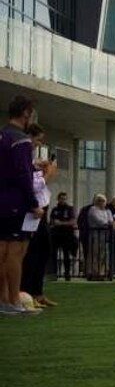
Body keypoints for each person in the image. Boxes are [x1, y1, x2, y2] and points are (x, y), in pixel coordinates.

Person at [0, 96, 41, 315]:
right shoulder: (21, 140)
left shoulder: (2, 135)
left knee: (2, 250)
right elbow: (23, 175)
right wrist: (33, 204)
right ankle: (14, 300)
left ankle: (3, 298)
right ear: (25, 113)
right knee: (15, 252)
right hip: (15, 202)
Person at [20, 125, 55, 308]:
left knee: (44, 249)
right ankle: (26, 292)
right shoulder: (20, 154)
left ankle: (38, 292)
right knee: (31, 254)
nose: (38, 144)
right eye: (38, 140)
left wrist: (38, 168)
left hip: (41, 209)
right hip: (30, 212)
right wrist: (48, 174)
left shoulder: (29, 158)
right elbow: (32, 186)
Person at [50, 192, 77, 281]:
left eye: (64, 199)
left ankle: (67, 273)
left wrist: (61, 223)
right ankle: (53, 273)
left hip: (67, 235)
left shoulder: (69, 209)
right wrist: (56, 223)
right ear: (58, 199)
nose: (63, 200)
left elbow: (73, 221)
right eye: (61, 199)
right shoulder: (55, 210)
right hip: (56, 235)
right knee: (53, 254)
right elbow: (52, 221)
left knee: (66, 255)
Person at [86, 194, 114, 280]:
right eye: (100, 201)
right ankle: (93, 272)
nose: (102, 203)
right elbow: (99, 221)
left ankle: (102, 272)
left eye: (103, 201)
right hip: (95, 235)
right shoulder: (93, 210)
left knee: (103, 255)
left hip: (105, 236)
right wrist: (108, 224)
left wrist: (111, 224)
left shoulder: (107, 211)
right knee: (94, 254)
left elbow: (111, 221)